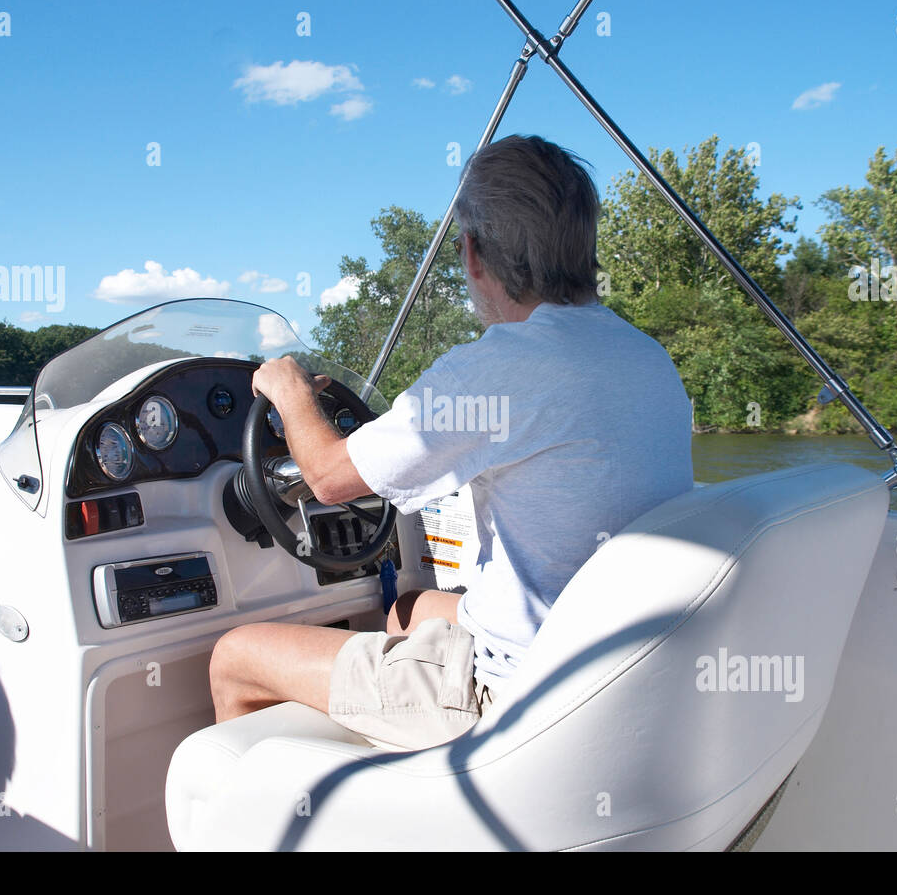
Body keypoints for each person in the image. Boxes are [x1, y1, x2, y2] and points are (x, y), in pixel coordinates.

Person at [209, 134, 693, 750]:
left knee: (233, 656)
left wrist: (289, 391)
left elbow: (329, 478)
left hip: (515, 695)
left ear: (472, 253)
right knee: (405, 610)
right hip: (607, 662)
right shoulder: (645, 356)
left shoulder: (501, 366)